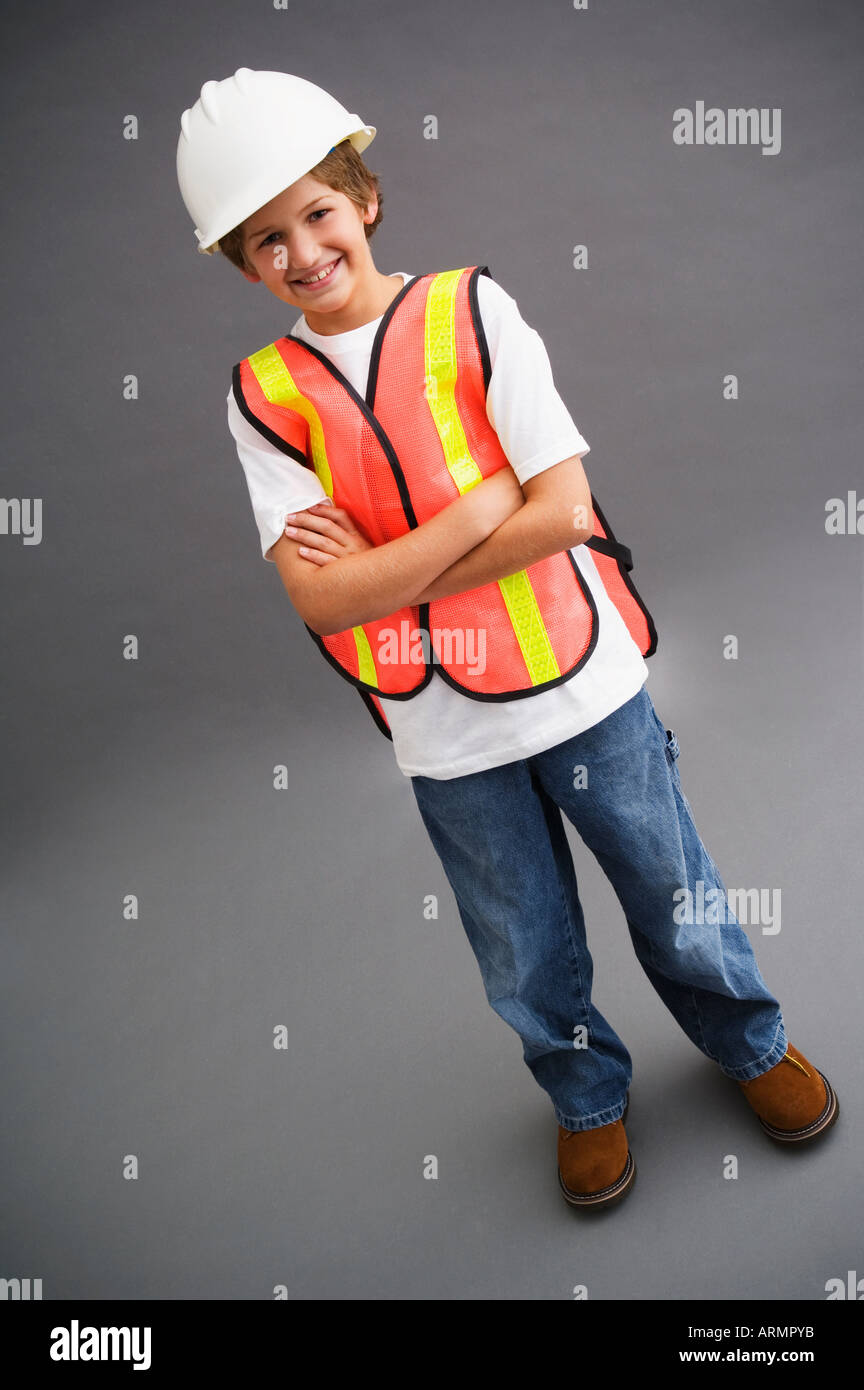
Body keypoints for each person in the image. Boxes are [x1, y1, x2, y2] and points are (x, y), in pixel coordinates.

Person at [176, 68, 839, 1211]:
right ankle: (585, 1095)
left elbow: (565, 512)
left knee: (670, 885)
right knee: (522, 944)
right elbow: (322, 604)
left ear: (365, 198)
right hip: (439, 723)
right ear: (241, 263)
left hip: (583, 683)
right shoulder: (263, 396)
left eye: (316, 212)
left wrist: (393, 560)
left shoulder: (472, 312)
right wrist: (481, 509)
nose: (301, 251)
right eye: (264, 239)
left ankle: (749, 1039)